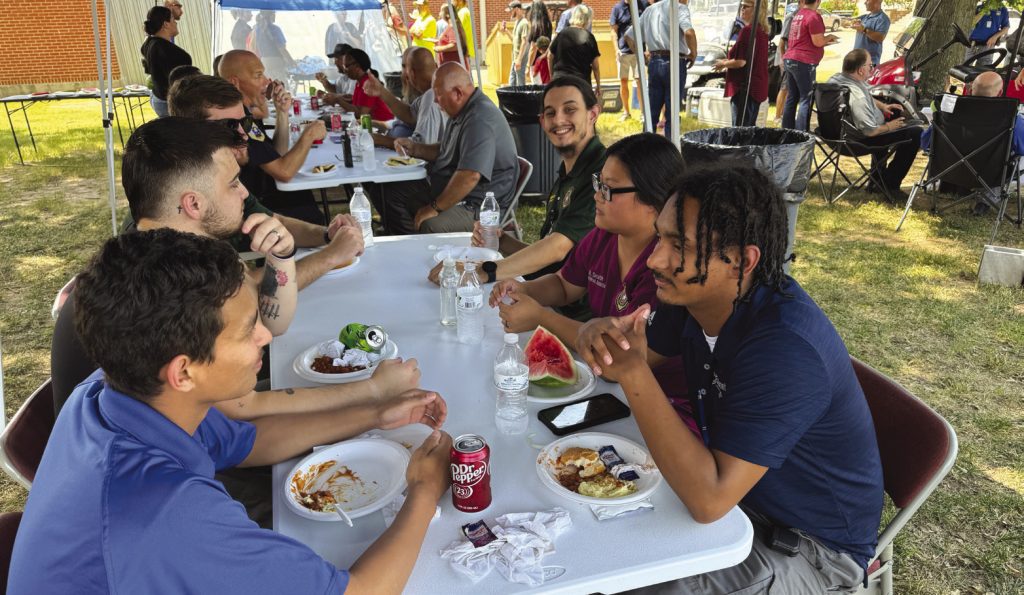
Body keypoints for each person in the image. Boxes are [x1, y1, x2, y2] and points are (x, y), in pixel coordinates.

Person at [11, 228, 451, 594]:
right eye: (247, 331)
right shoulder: (169, 513)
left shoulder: (112, 390)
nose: (265, 336)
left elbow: (250, 443)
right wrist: (425, 488)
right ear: (183, 371)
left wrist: (375, 414)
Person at [576, 162, 883, 593]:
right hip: (738, 506)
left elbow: (708, 500)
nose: (655, 260)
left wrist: (634, 373)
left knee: (624, 584)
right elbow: (638, 352)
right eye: (659, 236)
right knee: (590, 544)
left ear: (742, 260)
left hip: (810, 550)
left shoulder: (785, 348)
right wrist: (599, 331)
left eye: (678, 245)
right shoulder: (695, 294)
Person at [491, 133, 693, 430]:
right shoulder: (603, 237)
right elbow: (564, 285)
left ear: (654, 201)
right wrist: (525, 289)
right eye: (598, 182)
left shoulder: (665, 269)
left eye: (608, 189)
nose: (596, 195)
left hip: (661, 409)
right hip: (607, 393)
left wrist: (541, 318)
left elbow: (617, 360)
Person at [168, 75, 366, 288]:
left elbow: (276, 220)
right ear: (192, 131)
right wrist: (330, 256)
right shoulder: (183, 196)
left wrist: (327, 234)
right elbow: (236, 289)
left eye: (245, 121)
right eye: (228, 125)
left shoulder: (224, 178)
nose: (244, 134)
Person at [428, 76, 603, 286]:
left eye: (570, 109)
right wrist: (501, 241)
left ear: (593, 114)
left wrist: (485, 271)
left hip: (581, 312)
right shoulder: (568, 173)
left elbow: (557, 249)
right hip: (550, 292)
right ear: (542, 122)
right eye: (550, 113)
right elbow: (549, 258)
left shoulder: (600, 174)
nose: (558, 120)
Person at [384, 64, 519, 234]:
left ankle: (429, 251)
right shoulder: (463, 111)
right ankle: (412, 244)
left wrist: (434, 208)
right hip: (464, 196)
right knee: (398, 194)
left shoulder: (479, 119)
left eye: (438, 95)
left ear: (457, 93)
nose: (434, 101)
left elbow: (469, 176)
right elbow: (445, 149)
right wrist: (415, 149)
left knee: (431, 224)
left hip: (482, 206)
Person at [219, 50, 327, 225]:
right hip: (255, 209)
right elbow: (284, 172)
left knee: (304, 197)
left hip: (269, 193)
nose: (267, 81)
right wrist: (309, 135)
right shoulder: (237, 122)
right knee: (312, 215)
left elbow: (276, 154)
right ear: (235, 83)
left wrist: (282, 114)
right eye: (258, 75)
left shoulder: (245, 114)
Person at [922, 71, 1024, 216]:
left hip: (949, 168)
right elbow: (1022, 147)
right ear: (1000, 92)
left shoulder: (949, 113)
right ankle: (983, 202)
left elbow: (925, 142)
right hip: (991, 173)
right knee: (1005, 158)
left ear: (970, 89)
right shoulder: (1010, 117)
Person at [827, 49, 924, 200]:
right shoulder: (856, 95)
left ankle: (876, 179)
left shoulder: (835, 80)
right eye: (870, 65)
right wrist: (888, 127)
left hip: (833, 134)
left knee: (893, 114)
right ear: (860, 70)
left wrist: (883, 107)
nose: (872, 69)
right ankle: (888, 184)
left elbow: (866, 96)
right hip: (857, 140)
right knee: (915, 132)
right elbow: (870, 131)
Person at [625, 0, 697, 138]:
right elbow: (689, 32)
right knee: (672, 113)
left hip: (655, 62)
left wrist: (641, 55)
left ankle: (646, 148)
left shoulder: (649, 10)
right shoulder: (679, 8)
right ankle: (670, 149)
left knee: (651, 111)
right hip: (675, 62)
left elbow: (628, 36)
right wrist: (693, 53)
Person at [364, 47, 447, 150]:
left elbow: (421, 145)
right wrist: (381, 91)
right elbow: (409, 114)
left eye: (404, 67)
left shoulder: (431, 96)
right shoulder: (431, 93)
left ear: (410, 73)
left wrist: (381, 140)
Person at [782, 0, 839, 131]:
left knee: (792, 97)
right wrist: (829, 37)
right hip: (803, 61)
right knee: (805, 99)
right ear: (818, 1)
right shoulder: (813, 16)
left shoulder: (798, 14)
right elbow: (818, 42)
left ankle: (786, 131)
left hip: (791, 58)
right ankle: (801, 134)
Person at [714, 0, 770, 127]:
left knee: (740, 130)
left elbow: (741, 62)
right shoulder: (761, 30)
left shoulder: (748, 31)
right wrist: (726, 62)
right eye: (741, 6)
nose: (742, 9)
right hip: (756, 86)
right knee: (748, 129)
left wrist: (723, 64)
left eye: (746, 6)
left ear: (756, 9)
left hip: (746, 88)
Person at [141, 5, 191, 117]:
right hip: (169, 103)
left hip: (158, 97)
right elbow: (181, 85)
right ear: (165, 24)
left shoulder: (149, 43)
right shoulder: (169, 51)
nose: (176, 22)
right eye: (173, 19)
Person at [323, 49, 395, 121]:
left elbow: (361, 113)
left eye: (346, 66)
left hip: (382, 126)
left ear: (357, 66)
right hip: (372, 124)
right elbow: (358, 105)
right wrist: (342, 98)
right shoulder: (359, 82)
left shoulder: (368, 83)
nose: (344, 70)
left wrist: (338, 100)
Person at [548, 9, 601, 95]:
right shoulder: (589, 37)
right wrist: (598, 85)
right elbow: (595, 66)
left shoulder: (561, 34)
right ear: (587, 19)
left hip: (560, 80)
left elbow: (550, 56)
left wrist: (552, 76)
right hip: (580, 83)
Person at [610, 0, 647, 121]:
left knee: (639, 82)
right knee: (623, 81)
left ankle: (643, 113)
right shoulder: (618, 8)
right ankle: (626, 112)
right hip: (623, 52)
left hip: (639, 52)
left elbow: (649, 26)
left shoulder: (643, 4)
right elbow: (613, 31)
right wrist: (616, 49)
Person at [773, 1, 799, 125]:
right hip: (787, 59)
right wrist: (783, 60)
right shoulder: (791, 17)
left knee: (789, 89)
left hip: (792, 59)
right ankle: (777, 116)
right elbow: (782, 42)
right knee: (784, 88)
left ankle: (783, 114)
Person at [252, 10, 294, 82]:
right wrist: (291, 62)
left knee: (269, 86)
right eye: (274, 13)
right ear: (271, 15)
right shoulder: (275, 29)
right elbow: (282, 49)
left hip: (264, 62)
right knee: (281, 86)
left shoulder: (257, 29)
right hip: (276, 62)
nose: (275, 15)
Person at [967, 2, 1011, 66]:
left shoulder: (1003, 9)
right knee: (963, 72)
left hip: (988, 47)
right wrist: (985, 10)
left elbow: (1006, 27)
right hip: (972, 45)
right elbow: (971, 23)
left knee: (982, 73)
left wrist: (995, 37)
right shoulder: (979, 7)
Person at [852, 0, 890, 68]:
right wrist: (848, 22)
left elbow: (880, 37)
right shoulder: (865, 17)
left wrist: (864, 30)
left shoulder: (883, 19)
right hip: (856, 59)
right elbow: (849, 21)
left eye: (867, 0)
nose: (865, 2)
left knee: (868, 78)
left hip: (870, 63)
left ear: (877, 2)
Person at [526, 0, 554, 80]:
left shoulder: (535, 26)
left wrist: (528, 66)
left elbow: (533, 48)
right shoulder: (548, 24)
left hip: (537, 63)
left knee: (538, 89)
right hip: (547, 61)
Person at [508, 1, 531, 86]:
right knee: (512, 80)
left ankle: (521, 99)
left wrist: (519, 60)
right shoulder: (517, 22)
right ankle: (511, 98)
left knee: (520, 82)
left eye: (511, 10)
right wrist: (506, 31)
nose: (510, 13)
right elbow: (514, 39)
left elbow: (524, 42)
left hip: (520, 58)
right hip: (515, 58)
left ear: (517, 9)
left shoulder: (524, 23)